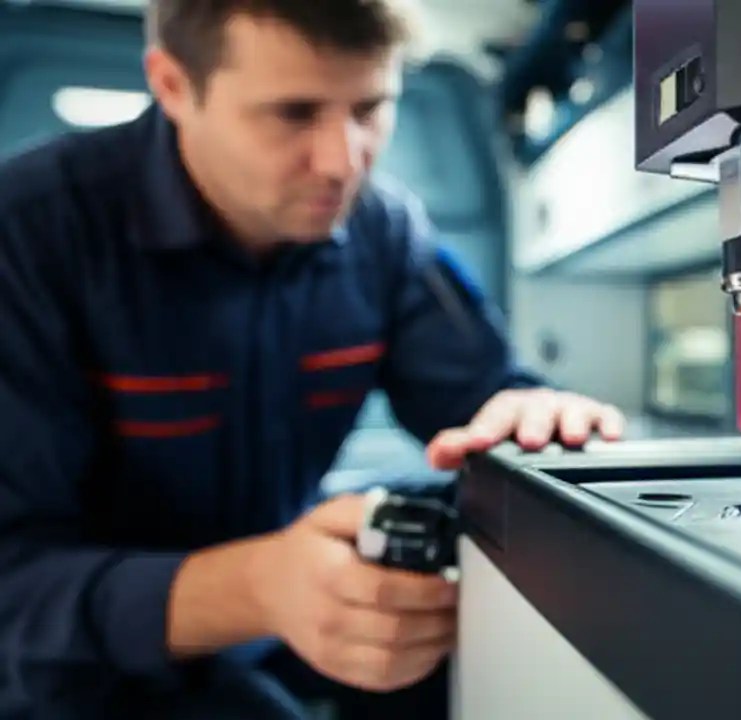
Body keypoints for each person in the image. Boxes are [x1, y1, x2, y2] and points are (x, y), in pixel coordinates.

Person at [0, 0, 626, 717]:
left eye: (371, 107)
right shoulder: (29, 233)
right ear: (172, 85)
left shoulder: (382, 232)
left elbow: (482, 397)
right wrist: (259, 586)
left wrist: (532, 416)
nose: (343, 161)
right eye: (294, 113)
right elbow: (13, 581)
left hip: (277, 633)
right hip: (71, 672)